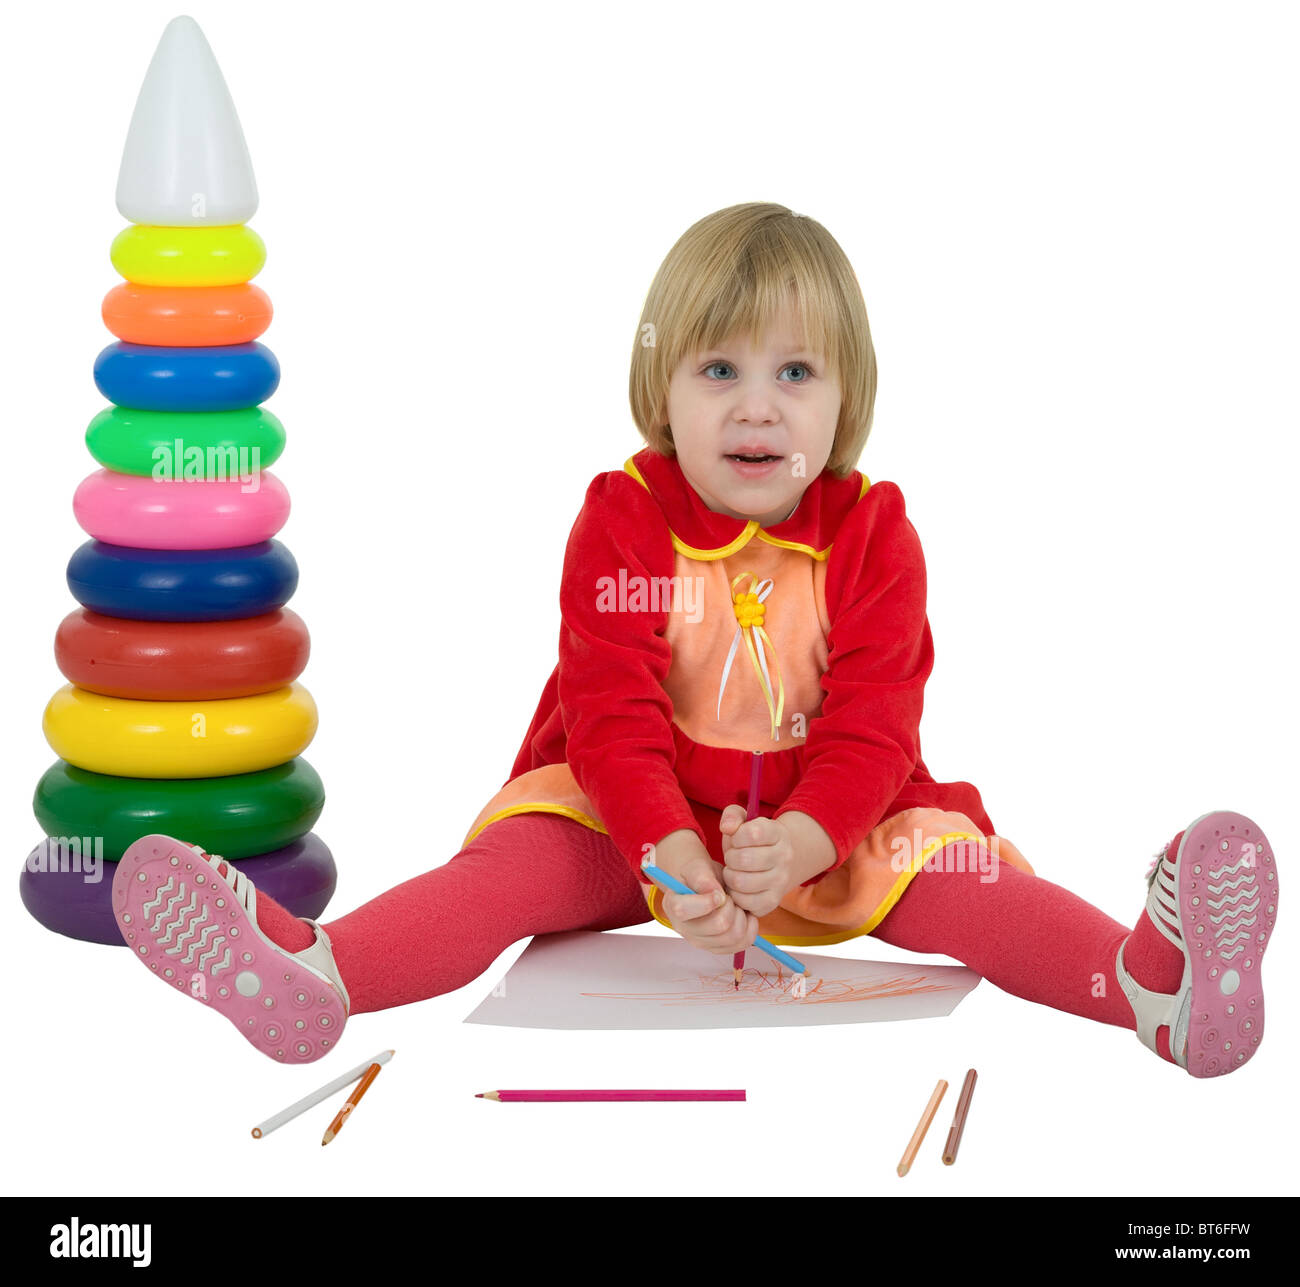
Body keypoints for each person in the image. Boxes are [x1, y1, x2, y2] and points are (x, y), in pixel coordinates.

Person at [113, 202, 1277, 1076]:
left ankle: (1147, 989)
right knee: (506, 874)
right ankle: (315, 970)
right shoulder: (623, 515)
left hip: (837, 822)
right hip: (632, 818)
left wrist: (815, 838)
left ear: (844, 398)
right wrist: (671, 849)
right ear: (661, 387)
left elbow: (877, 720)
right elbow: (610, 712)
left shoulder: (875, 533)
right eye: (717, 369)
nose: (755, 405)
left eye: (794, 372)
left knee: (963, 880)